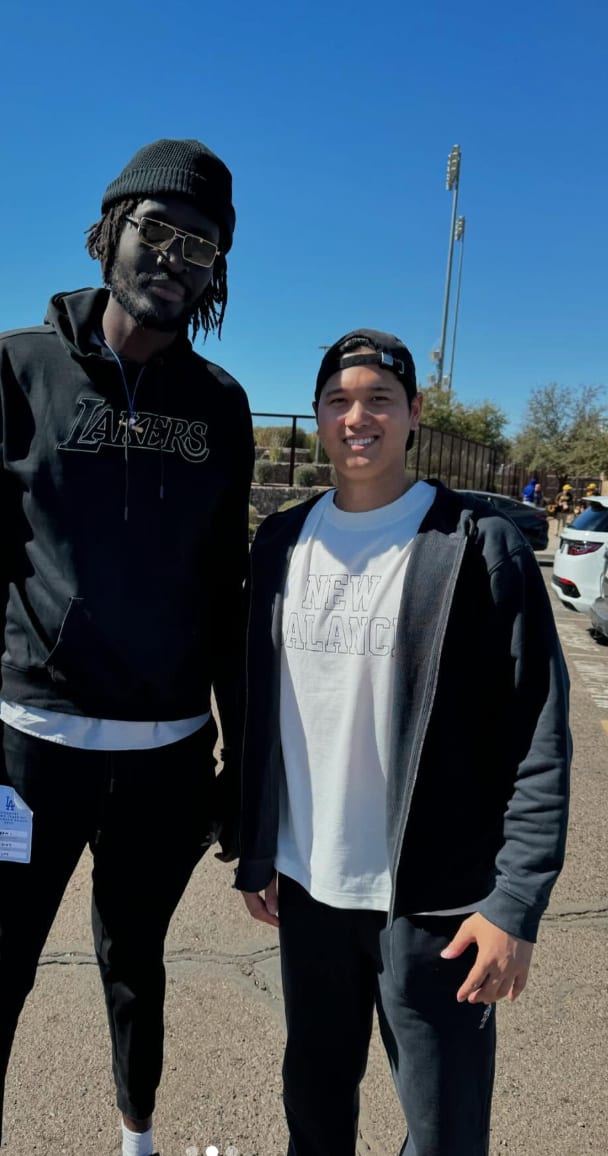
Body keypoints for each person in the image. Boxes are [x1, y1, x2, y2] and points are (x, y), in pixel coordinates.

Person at [0, 138, 254, 1156]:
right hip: (30, 759)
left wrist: (246, 771)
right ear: (108, 232)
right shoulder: (11, 370)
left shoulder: (221, 407)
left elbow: (228, 599)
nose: (174, 259)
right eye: (157, 231)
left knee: (135, 965)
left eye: (201, 248)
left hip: (165, 763)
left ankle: (136, 1141)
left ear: (215, 275)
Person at [236, 329, 570, 1156]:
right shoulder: (281, 544)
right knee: (314, 1119)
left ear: (414, 413)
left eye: (379, 399)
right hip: (308, 892)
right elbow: (256, 709)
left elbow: (540, 732)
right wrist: (254, 847)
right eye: (339, 402)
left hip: (439, 906)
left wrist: (514, 906)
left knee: (445, 1132)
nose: (359, 417)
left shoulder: (478, 545)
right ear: (316, 418)